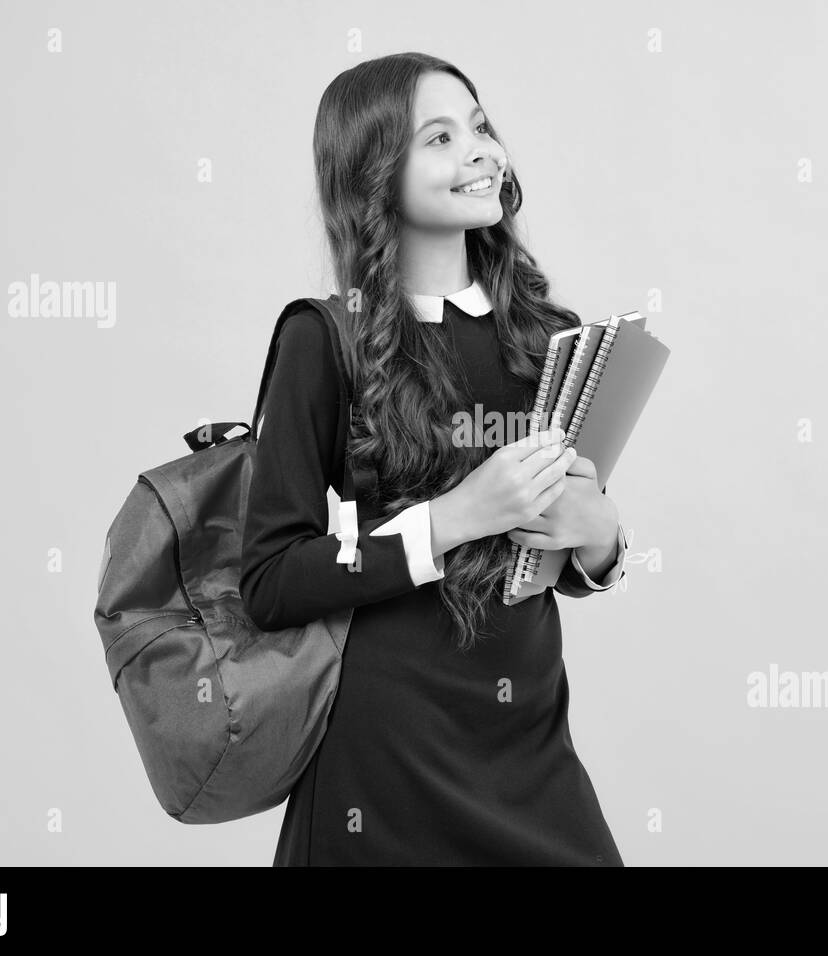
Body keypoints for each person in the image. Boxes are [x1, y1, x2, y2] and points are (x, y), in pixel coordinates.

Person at [239, 52, 628, 866]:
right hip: (381, 763)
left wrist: (597, 535)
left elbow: (556, 560)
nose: (482, 151)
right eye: (441, 138)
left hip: (526, 742)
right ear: (375, 172)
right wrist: (457, 518)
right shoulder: (323, 339)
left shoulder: (545, 334)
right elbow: (271, 579)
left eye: (481, 127)